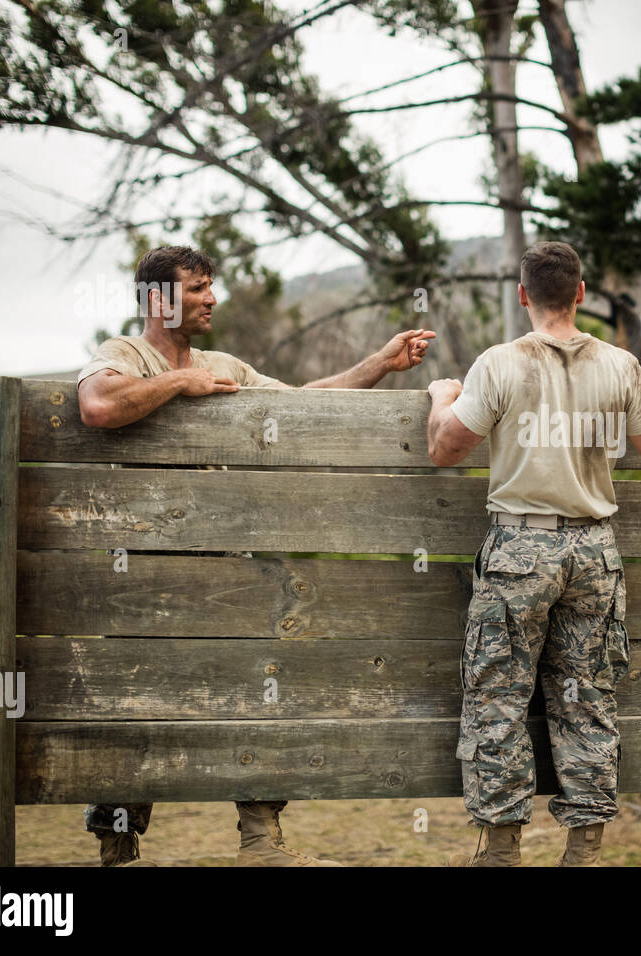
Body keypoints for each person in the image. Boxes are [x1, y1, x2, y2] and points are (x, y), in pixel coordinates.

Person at [76, 245, 436, 866]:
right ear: (156, 299)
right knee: (132, 700)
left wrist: (379, 362)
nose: (211, 298)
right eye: (196, 288)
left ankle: (261, 840)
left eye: (211, 286)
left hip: (230, 575)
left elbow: (300, 404)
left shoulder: (225, 364)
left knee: (260, 685)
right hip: (146, 577)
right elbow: (98, 405)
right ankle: (118, 846)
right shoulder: (123, 354)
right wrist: (179, 383)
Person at [425, 240, 641, 867]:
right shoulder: (621, 366)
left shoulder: (499, 364)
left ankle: (502, 851)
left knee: (497, 697)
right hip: (594, 549)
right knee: (586, 697)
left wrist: (439, 395)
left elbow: (445, 449)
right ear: (581, 294)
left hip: (520, 547)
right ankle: (584, 851)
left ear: (522, 295)